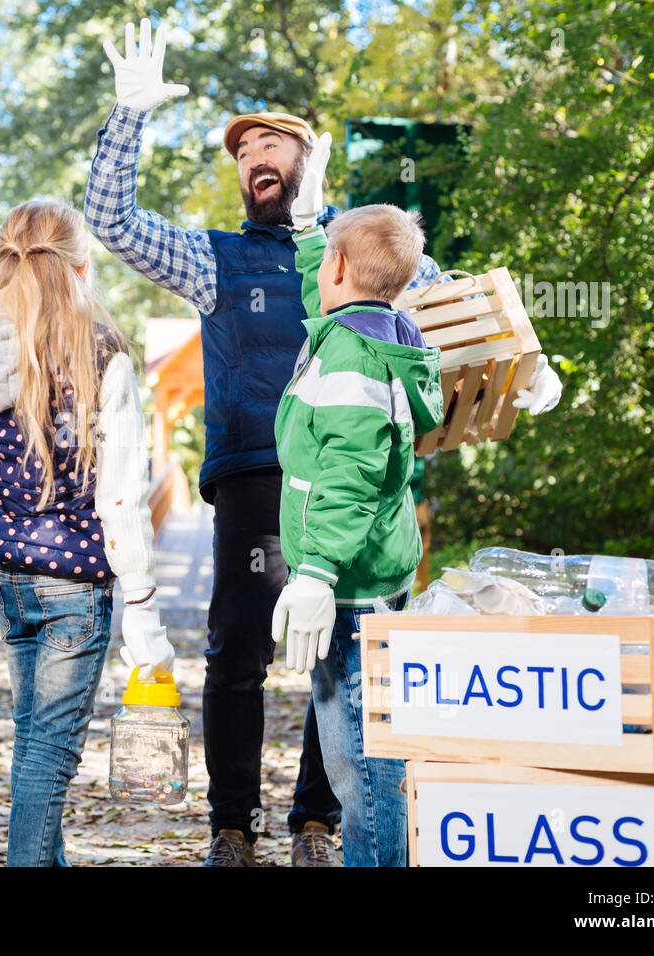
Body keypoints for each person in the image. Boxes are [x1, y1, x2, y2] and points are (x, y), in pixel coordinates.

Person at [84, 18, 564, 866]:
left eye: (274, 144)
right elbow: (111, 221)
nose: (255, 159)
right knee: (240, 650)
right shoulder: (213, 258)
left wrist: (525, 365)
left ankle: (319, 822)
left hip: (363, 476)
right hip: (258, 481)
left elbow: (455, 307)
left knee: (345, 647)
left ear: (311, 161)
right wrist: (128, 117)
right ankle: (232, 826)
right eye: (242, 153)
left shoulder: (359, 245)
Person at [0, 60, 175, 866]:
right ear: (80, 263)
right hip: (76, 589)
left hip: (13, 580)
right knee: (45, 764)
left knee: (33, 745)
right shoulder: (101, 354)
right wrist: (147, 610)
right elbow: (122, 499)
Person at [272, 192, 444, 867]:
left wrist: (316, 570)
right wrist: (312, 225)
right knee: (362, 753)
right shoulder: (377, 330)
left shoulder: (349, 359)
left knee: (360, 766)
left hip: (346, 587)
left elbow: (348, 473)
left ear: (339, 266)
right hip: (373, 570)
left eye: (325, 260)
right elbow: (332, 294)